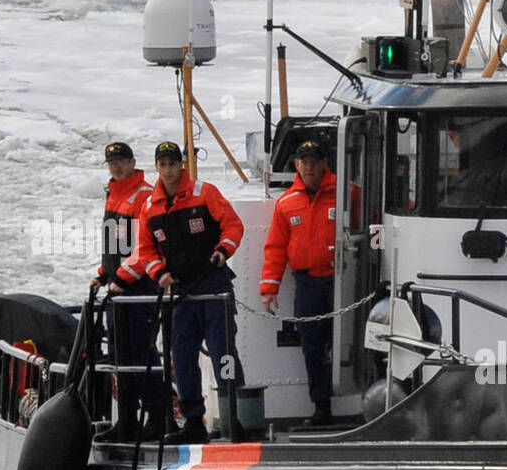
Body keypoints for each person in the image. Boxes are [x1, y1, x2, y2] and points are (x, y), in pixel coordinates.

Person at [117, 141, 244, 445]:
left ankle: (233, 416)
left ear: (181, 166)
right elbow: (146, 248)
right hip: (181, 293)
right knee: (182, 357)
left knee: (222, 352)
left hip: (213, 286)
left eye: (173, 163)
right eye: (163, 164)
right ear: (157, 167)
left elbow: (232, 225)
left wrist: (223, 251)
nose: (169, 169)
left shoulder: (205, 193)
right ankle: (192, 421)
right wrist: (159, 272)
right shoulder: (151, 206)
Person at [260, 140, 349, 428]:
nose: (309, 166)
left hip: (343, 282)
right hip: (308, 284)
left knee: (350, 341)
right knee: (312, 347)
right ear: (296, 165)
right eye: (303, 161)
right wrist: (269, 287)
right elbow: (276, 247)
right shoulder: (286, 203)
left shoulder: (348, 194)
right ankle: (321, 407)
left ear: (324, 163)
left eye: (313, 160)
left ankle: (369, 401)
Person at [91, 142, 161, 441]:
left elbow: (145, 248)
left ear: (133, 162)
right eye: (112, 162)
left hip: (138, 286)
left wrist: (120, 277)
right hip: (118, 287)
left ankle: (158, 417)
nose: (116, 166)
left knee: (141, 353)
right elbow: (115, 244)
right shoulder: (114, 194)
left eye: (121, 161)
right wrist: (103, 274)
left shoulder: (143, 195)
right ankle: (128, 420)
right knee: (121, 355)